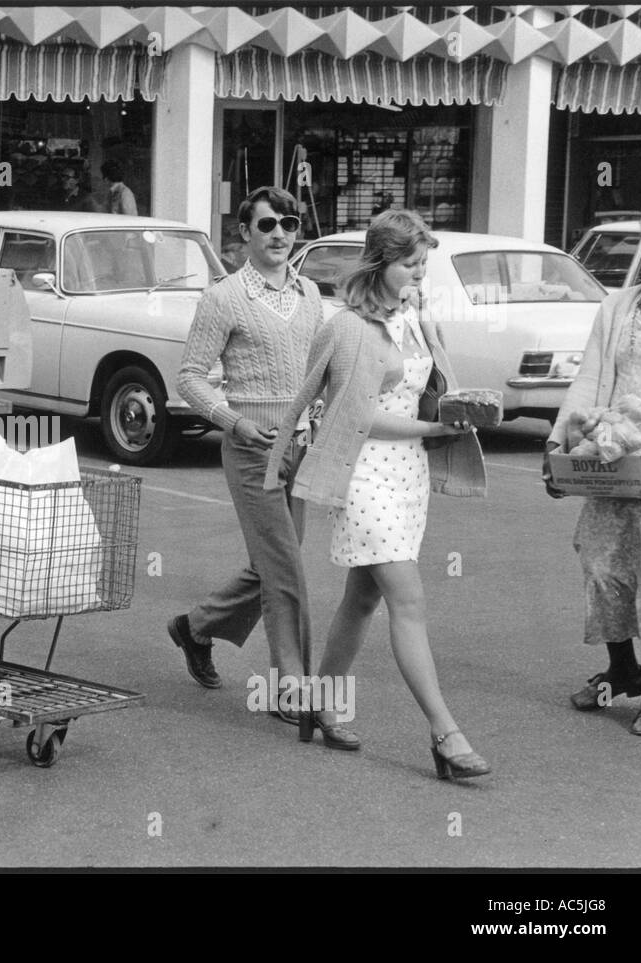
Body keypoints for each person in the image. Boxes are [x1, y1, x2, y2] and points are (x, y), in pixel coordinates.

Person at [263, 209, 491, 777]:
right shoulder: (345, 327)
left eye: (423, 266)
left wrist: (456, 408)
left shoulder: (417, 317)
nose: (420, 276)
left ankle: (318, 701)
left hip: (408, 477)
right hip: (362, 475)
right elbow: (354, 415)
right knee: (407, 601)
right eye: (411, 266)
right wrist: (435, 429)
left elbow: (432, 386)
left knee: (361, 598)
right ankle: (446, 734)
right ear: (381, 262)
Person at [172, 186, 322, 730]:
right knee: (286, 572)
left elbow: (317, 371)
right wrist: (234, 421)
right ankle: (293, 688)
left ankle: (196, 627)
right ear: (244, 233)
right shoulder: (224, 297)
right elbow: (189, 377)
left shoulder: (310, 294)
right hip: (251, 448)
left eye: (289, 223)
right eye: (267, 225)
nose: (280, 233)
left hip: (301, 448)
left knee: (270, 567)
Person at [544, 207, 641, 737]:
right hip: (614, 454)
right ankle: (625, 669)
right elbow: (589, 380)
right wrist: (560, 442)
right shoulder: (620, 306)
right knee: (603, 566)